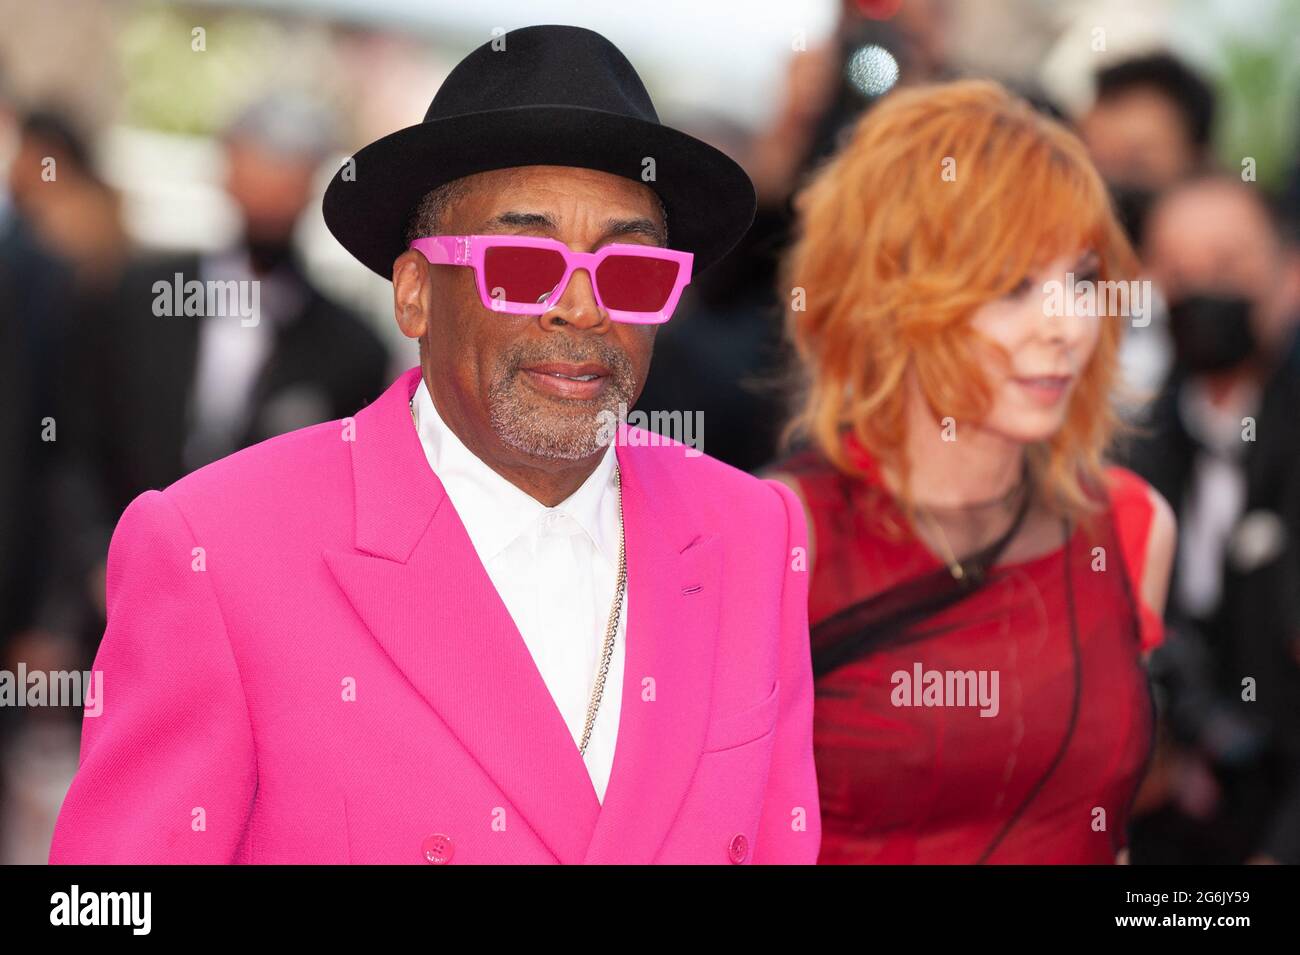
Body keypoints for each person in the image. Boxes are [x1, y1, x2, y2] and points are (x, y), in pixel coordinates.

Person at [49, 25, 819, 865]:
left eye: (629, 273)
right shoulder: (214, 551)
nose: (581, 309)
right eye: (523, 265)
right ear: (414, 293)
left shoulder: (754, 534)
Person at [766, 79, 1176, 863]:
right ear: (888, 295)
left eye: (1082, 278)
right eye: (1012, 285)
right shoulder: (781, 534)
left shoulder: (1130, 526)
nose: (1065, 325)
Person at [1123, 175, 1300, 864]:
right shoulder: (1128, 449)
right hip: (1171, 807)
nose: (1202, 290)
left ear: (1287, 276)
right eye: (1178, 270)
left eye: (1227, 266)